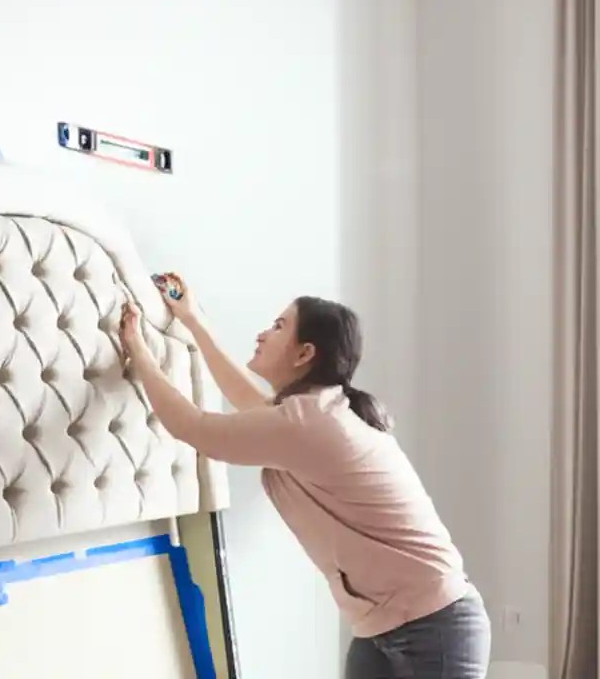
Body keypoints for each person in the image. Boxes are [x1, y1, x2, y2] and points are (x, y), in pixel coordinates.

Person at [118, 273, 491, 679]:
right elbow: (249, 402)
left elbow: (196, 429)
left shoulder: (310, 422)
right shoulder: (310, 414)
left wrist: (138, 352)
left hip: (434, 626)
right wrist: (192, 320)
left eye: (279, 326)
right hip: (384, 625)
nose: (262, 333)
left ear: (304, 353)